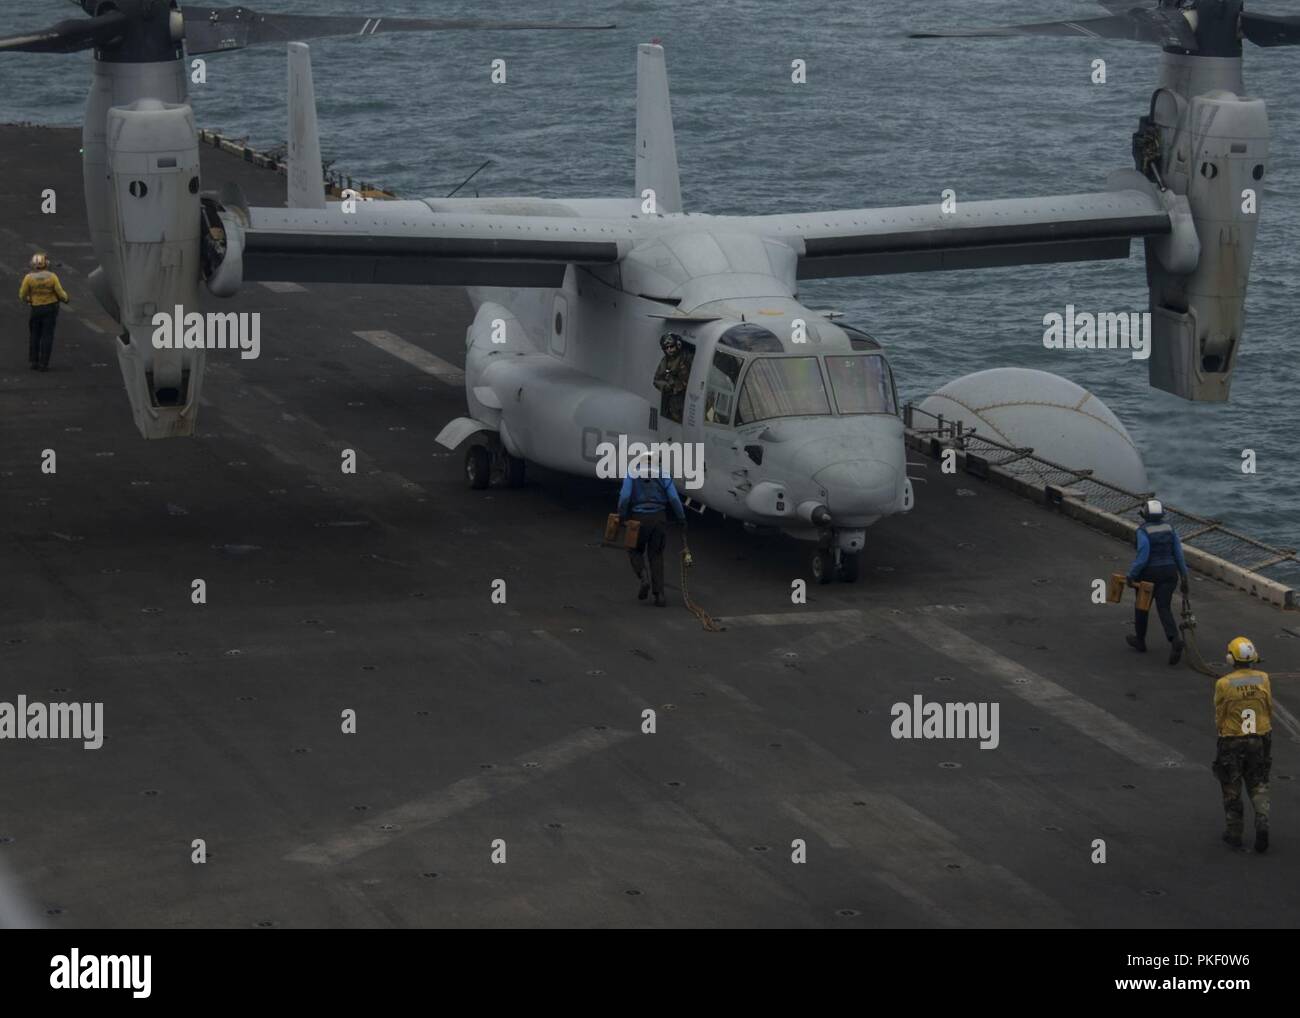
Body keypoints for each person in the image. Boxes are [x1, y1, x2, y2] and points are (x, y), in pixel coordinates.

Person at [1212, 637, 1273, 852]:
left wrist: (1222, 732)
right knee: (1258, 783)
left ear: (1231, 658)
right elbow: (1268, 707)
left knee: (1231, 787)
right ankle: (1262, 821)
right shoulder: (1263, 678)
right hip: (1259, 738)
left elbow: (1219, 713)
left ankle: (1235, 833)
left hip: (1233, 740)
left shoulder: (1224, 683)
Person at [617, 453, 686, 607]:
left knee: (633, 549)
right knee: (656, 555)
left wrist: (621, 516)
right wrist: (681, 518)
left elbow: (625, 496)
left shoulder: (632, 473)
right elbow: (674, 498)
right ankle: (659, 595)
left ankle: (643, 576)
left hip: (638, 519)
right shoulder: (663, 474)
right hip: (659, 518)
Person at [1125, 498, 1189, 664]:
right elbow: (1178, 554)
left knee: (1142, 607)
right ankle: (1175, 640)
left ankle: (1140, 641)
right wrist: (1184, 576)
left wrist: (1131, 575)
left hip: (1149, 575)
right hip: (1169, 573)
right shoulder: (1170, 529)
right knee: (1164, 607)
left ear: (1144, 515)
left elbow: (1143, 556)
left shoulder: (1143, 531)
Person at [19, 252, 69, 371]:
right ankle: (44, 363)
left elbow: (22, 294)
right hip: (50, 309)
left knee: (35, 335)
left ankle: (34, 361)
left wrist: (28, 300)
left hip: (36, 309)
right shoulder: (52, 277)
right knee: (47, 336)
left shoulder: (29, 278)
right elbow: (60, 292)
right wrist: (66, 299)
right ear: (46, 263)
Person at [653, 332, 690, 423]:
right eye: (666, 348)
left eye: (672, 346)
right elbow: (656, 380)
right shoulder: (665, 361)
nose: (669, 350)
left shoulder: (687, 358)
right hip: (674, 399)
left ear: (678, 345)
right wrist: (667, 386)